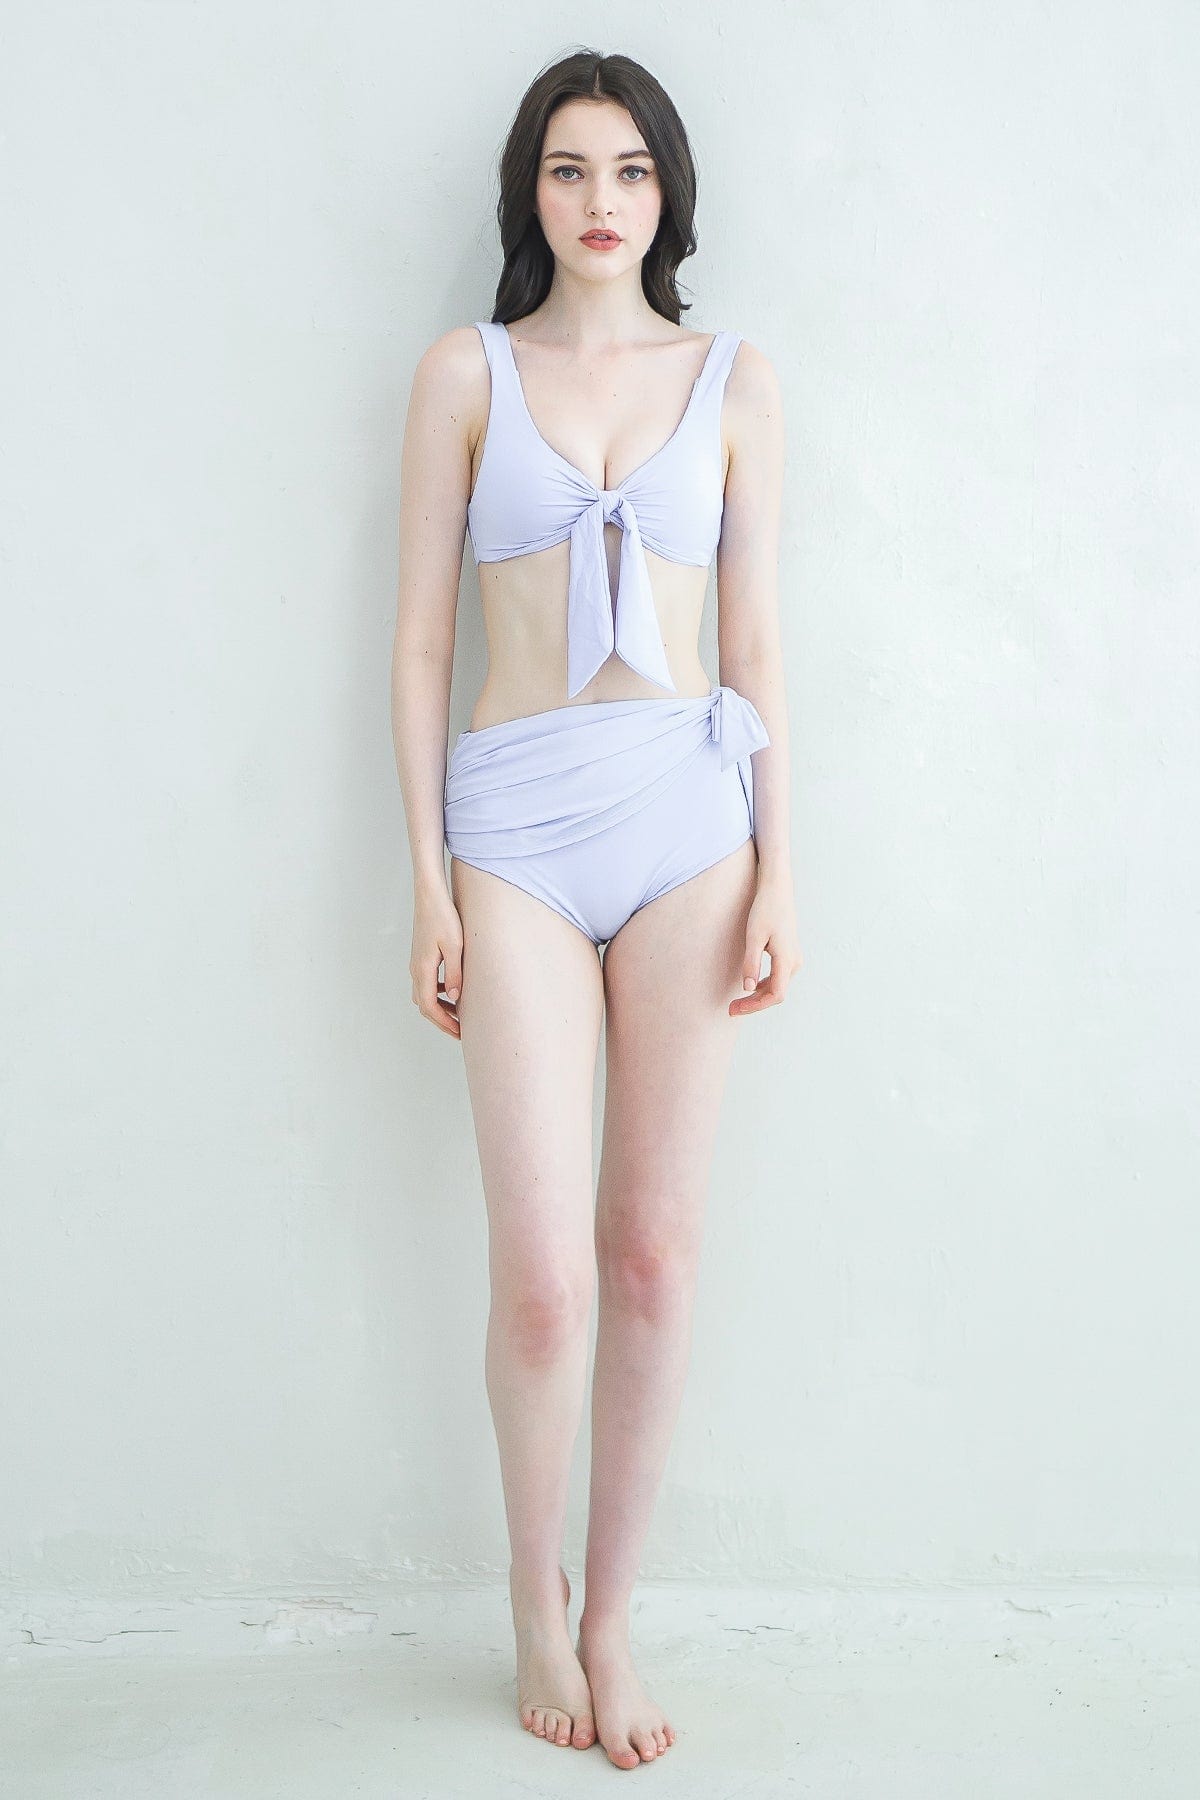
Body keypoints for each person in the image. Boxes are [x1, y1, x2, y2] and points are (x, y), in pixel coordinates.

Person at [391, 47, 801, 1771]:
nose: (601, 201)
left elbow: (757, 643)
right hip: (518, 834)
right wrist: (428, 882)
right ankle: (531, 1591)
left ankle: (616, 1613)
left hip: (691, 823)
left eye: (630, 170)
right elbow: (422, 643)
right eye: (569, 170)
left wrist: (785, 866)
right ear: (530, 195)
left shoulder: (736, 378)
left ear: (667, 193)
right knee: (547, 1279)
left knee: (649, 1254)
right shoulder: (464, 372)